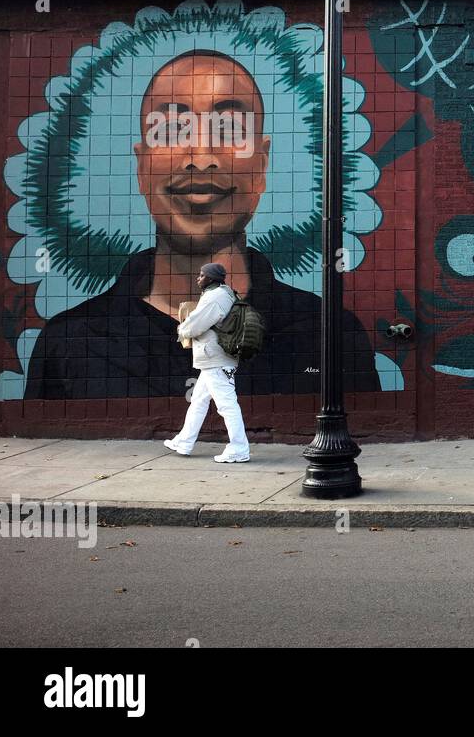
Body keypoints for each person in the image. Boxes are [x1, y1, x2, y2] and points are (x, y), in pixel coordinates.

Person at [25, 49, 378, 399]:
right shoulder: (69, 342)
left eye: (228, 128)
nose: (201, 158)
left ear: (262, 165)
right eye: (171, 129)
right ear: (141, 167)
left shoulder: (326, 334)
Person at [164, 262, 249, 463]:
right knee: (199, 401)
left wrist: (181, 329)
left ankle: (239, 448)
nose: (198, 278)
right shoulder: (225, 293)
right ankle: (184, 441)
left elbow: (195, 326)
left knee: (227, 405)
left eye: (202, 275)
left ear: (211, 278)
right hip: (214, 359)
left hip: (215, 360)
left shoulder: (214, 298)